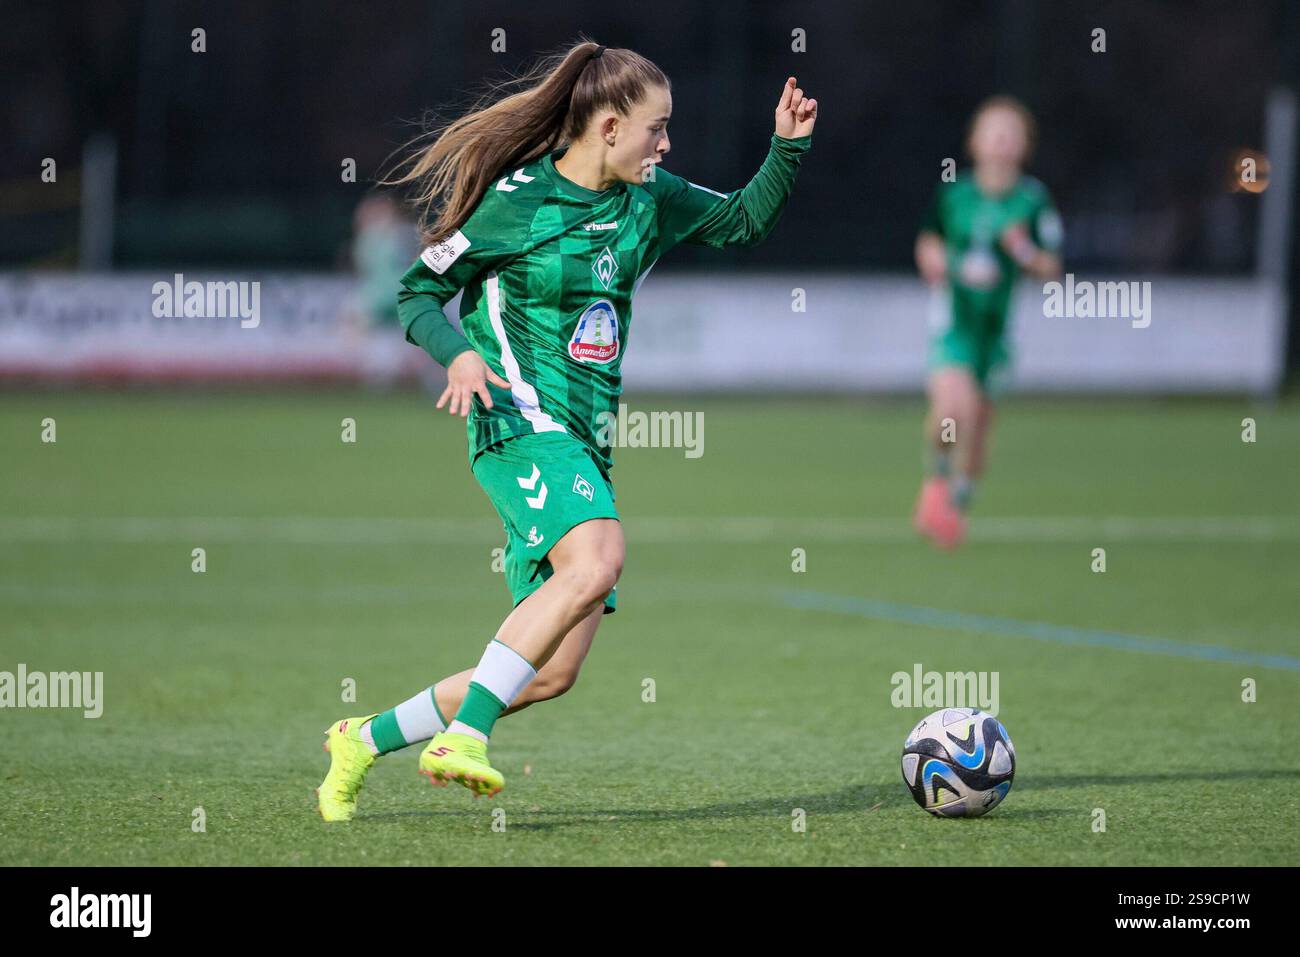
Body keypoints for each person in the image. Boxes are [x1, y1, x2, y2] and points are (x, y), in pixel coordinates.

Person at [316, 39, 816, 820]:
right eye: (658, 127)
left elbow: (742, 222)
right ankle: (464, 737)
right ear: (610, 127)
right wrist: (456, 357)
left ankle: (363, 737)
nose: (667, 143)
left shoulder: (648, 196)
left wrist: (787, 146)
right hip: (515, 425)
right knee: (603, 556)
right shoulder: (515, 201)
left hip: (583, 444)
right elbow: (417, 294)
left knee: (549, 672)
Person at [913, 96, 1062, 549]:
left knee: (977, 427)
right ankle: (936, 483)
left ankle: (958, 501)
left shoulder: (1033, 201)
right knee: (950, 414)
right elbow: (928, 241)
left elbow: (1050, 266)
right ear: (975, 142)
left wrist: (1020, 249)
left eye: (1011, 133)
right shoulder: (954, 195)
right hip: (954, 323)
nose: (1001, 141)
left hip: (996, 332)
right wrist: (933, 260)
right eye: (993, 131)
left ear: (1024, 146)